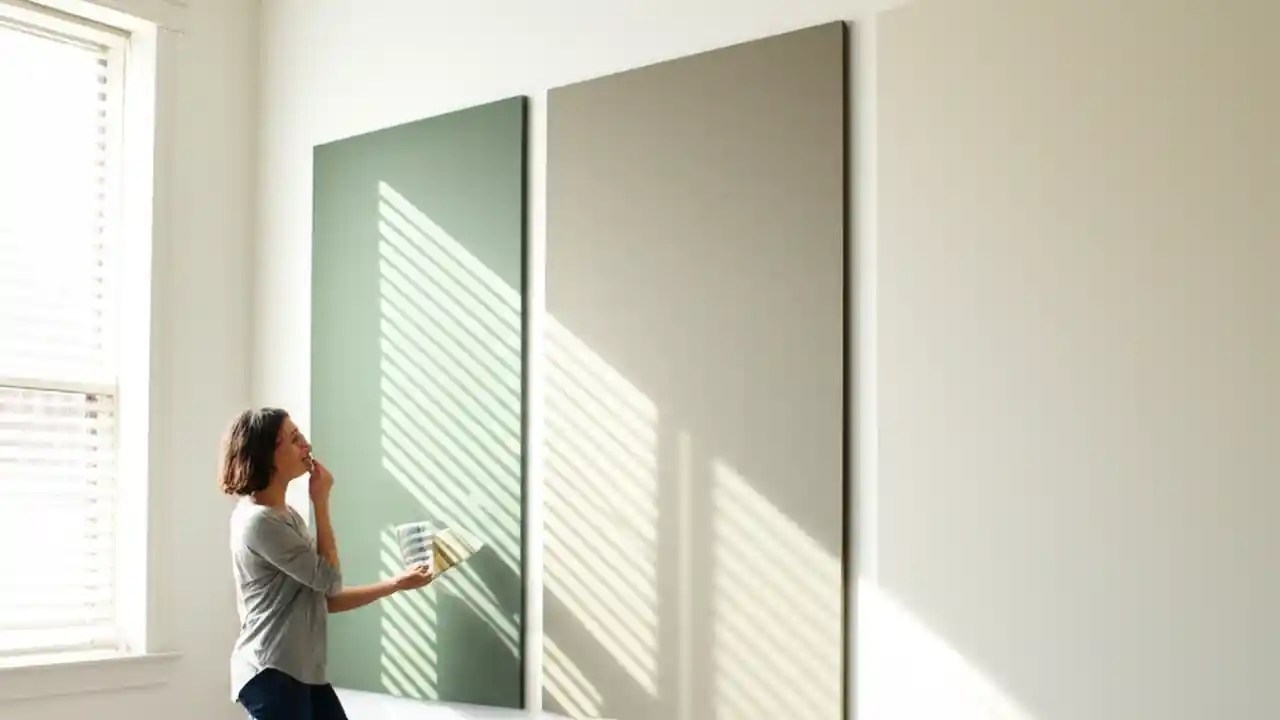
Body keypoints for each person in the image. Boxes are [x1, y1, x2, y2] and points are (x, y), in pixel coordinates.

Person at [219, 407, 433, 719]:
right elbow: (330, 580)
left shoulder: (286, 516)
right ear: (268, 455)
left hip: (301, 671)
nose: (306, 445)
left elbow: (325, 598)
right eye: (295, 440)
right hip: (272, 671)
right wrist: (321, 502)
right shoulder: (260, 522)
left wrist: (397, 584)